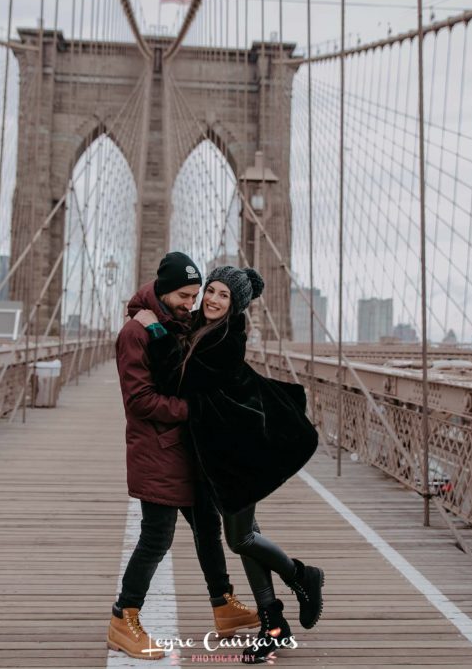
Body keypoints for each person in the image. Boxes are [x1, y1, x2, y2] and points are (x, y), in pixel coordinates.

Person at [134, 266, 323, 664]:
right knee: (247, 535)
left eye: (225, 296)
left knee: (241, 539)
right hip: (220, 457)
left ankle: (301, 576)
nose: (215, 300)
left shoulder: (226, 339)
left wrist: (154, 331)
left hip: (241, 455)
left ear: (237, 305)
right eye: (212, 291)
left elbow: (174, 379)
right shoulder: (201, 328)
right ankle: (273, 626)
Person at [107, 252, 259, 661]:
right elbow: (140, 401)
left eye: (197, 295)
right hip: (157, 450)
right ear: (163, 290)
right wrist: (196, 409)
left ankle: (223, 605)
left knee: (207, 525)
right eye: (186, 295)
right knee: (157, 537)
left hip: (187, 451)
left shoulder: (174, 323)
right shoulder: (134, 334)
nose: (192, 304)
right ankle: (124, 617)